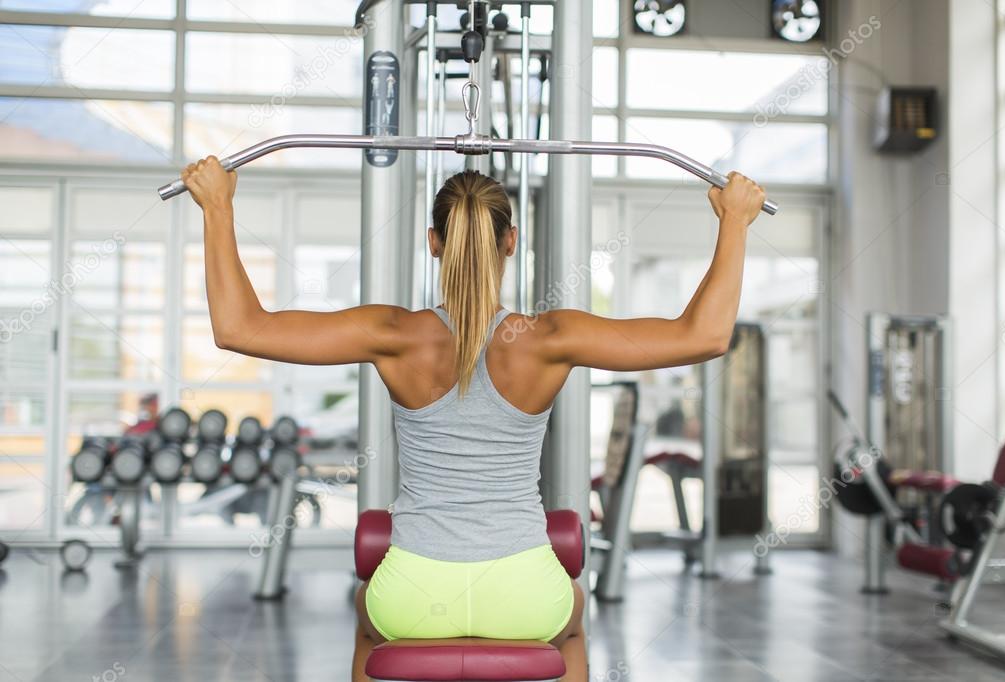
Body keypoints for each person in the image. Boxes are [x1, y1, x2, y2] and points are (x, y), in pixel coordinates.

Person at [180, 157, 765, 682]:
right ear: (511, 241)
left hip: (412, 591)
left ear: (433, 242)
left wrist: (218, 206)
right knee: (574, 620)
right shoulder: (550, 338)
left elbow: (240, 328)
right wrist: (734, 222)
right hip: (522, 593)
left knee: (367, 619)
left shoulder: (394, 334)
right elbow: (706, 336)